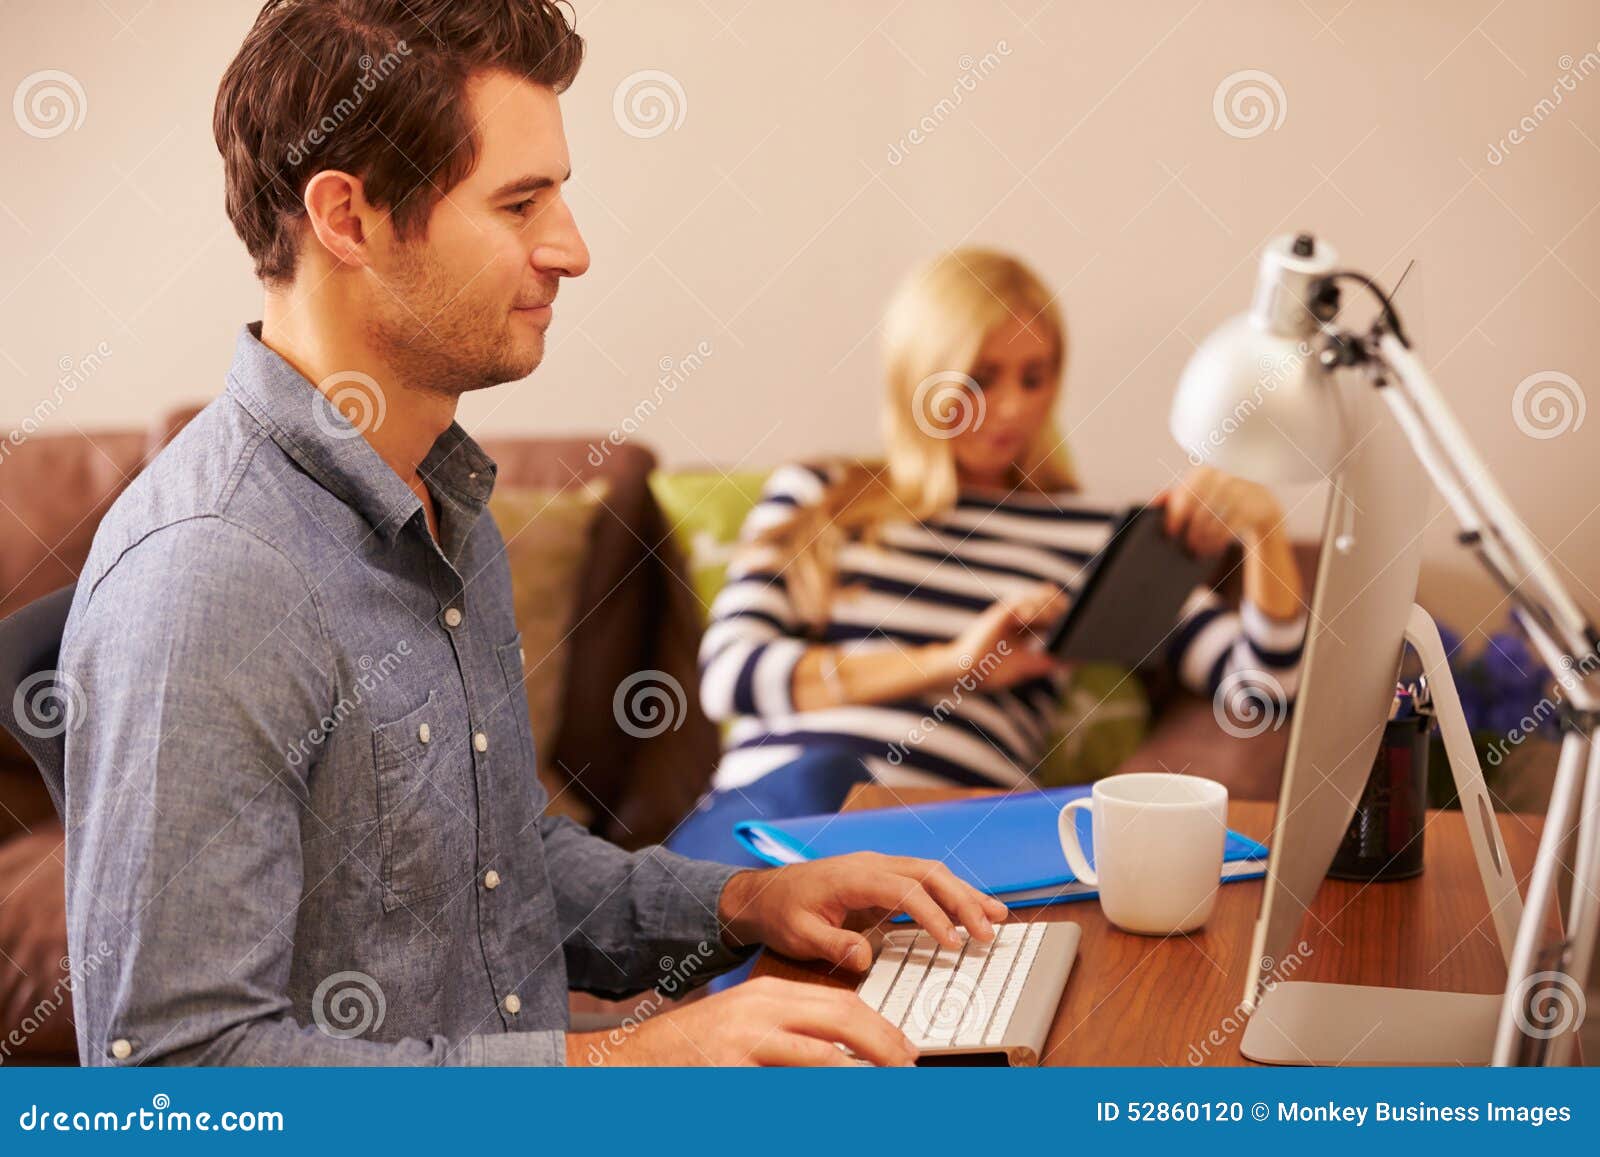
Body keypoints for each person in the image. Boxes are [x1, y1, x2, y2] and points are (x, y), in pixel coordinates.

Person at [58, 0, 1007, 1068]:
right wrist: (618, 1068)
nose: (572, 248)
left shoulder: (443, 506)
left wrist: (745, 900)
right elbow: (174, 1081)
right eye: (520, 203)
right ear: (348, 218)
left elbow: (490, 867)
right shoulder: (211, 574)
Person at [669, 249, 1309, 866]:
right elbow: (729, 675)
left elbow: (1261, 697)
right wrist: (953, 662)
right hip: (778, 812)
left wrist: (1264, 530)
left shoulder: (1092, 534)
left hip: (955, 836)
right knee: (817, 806)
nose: (1012, 408)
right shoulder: (821, 493)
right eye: (979, 378)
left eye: (1035, 377)